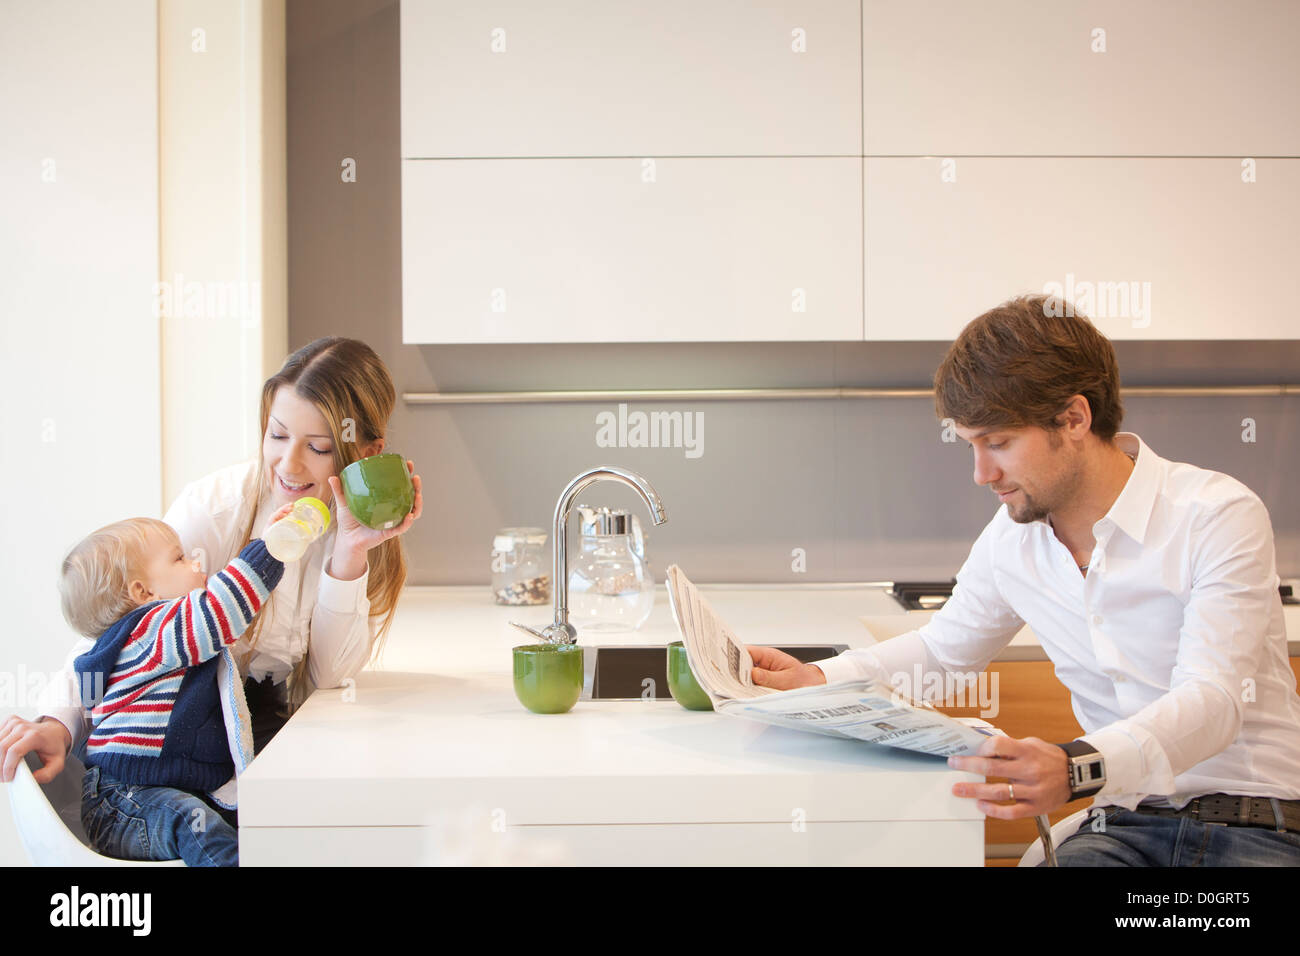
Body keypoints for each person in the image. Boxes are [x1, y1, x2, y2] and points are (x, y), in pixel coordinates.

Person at [748, 295, 1300, 866]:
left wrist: (1076, 767)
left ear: (1075, 418)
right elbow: (943, 651)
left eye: (999, 443)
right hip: (1121, 830)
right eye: (972, 446)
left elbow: (1212, 701)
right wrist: (818, 678)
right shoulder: (1013, 540)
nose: (981, 474)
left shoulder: (1215, 514)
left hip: (1256, 824)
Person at [1, 337, 424, 799]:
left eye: (318, 447)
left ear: (366, 452)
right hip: (161, 755)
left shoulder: (370, 535)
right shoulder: (216, 509)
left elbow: (327, 681)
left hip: (250, 745)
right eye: (277, 435)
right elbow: (117, 631)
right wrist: (58, 723)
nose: (287, 463)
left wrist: (350, 553)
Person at [61, 512, 293, 865]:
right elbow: (220, 612)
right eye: (180, 558)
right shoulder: (152, 629)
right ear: (144, 592)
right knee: (194, 823)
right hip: (123, 800)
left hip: (148, 796)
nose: (196, 561)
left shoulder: (157, 640)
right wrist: (271, 548)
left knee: (232, 823)